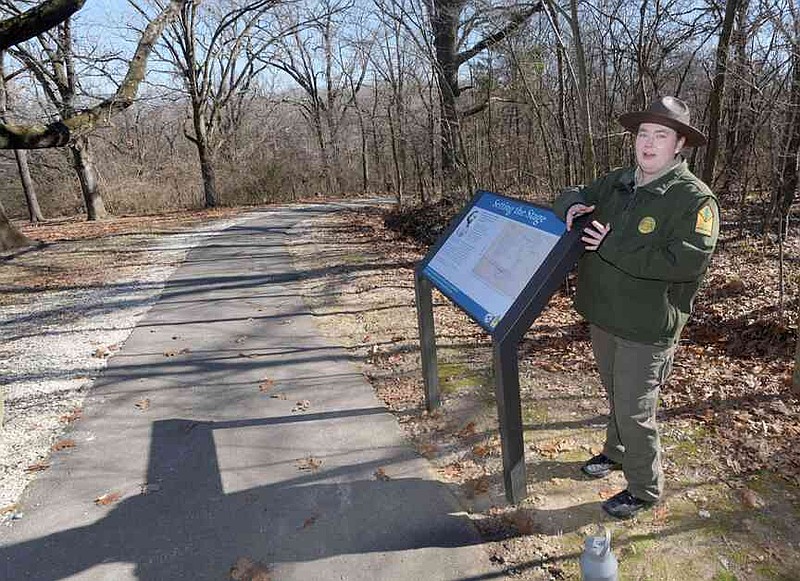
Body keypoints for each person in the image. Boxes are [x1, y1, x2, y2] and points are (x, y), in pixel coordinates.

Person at [552, 96, 719, 519]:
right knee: (616, 394)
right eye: (643, 133)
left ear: (679, 144)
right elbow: (574, 193)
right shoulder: (618, 182)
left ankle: (644, 488)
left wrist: (613, 245)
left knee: (635, 408)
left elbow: (686, 261)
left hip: (646, 326)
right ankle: (615, 451)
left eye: (660, 135)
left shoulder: (694, 200)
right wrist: (570, 205)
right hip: (604, 314)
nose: (648, 143)